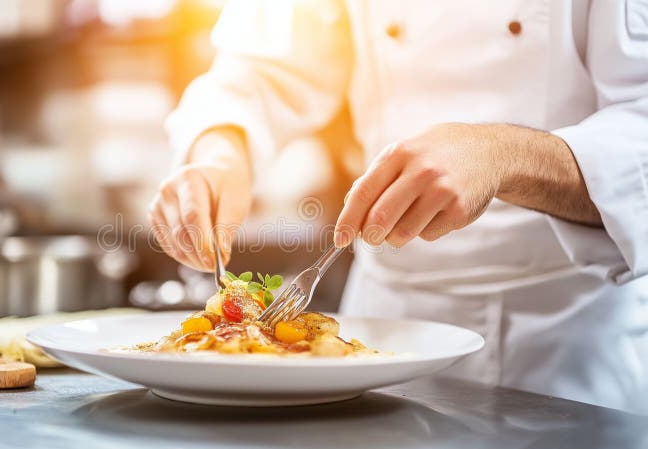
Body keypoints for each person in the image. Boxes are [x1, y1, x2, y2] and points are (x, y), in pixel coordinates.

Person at [148, 0, 648, 412]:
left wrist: (503, 155)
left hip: (569, 343)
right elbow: (261, 68)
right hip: (385, 328)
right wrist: (219, 155)